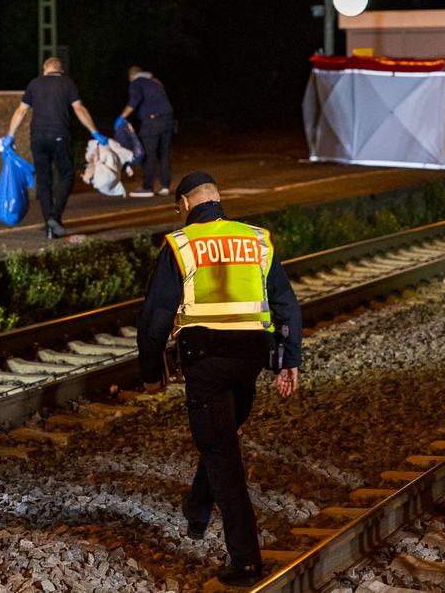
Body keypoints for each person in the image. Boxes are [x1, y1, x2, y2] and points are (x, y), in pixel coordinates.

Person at [137, 172, 302, 586]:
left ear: (185, 204)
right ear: (218, 199)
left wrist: (149, 374)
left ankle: (246, 561)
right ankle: (196, 508)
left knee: (223, 457)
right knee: (220, 439)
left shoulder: (181, 243)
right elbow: (286, 303)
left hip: (206, 363)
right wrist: (290, 359)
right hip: (250, 360)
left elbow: (156, 317)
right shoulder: (257, 239)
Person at [3, 57, 109, 239]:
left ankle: (50, 228)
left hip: (37, 138)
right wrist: (95, 132)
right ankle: (55, 216)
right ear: (61, 70)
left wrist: (10, 135)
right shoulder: (67, 84)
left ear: (45, 69)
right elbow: (79, 108)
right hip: (60, 136)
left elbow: (21, 111)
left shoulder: (34, 84)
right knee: (66, 174)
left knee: (44, 180)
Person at [115, 66, 175, 197]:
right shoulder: (155, 81)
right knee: (164, 153)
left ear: (131, 76)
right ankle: (165, 186)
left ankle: (147, 187)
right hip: (168, 120)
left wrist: (122, 117)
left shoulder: (136, 83)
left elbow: (134, 101)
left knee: (148, 154)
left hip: (152, 122)